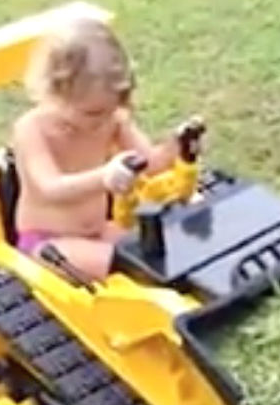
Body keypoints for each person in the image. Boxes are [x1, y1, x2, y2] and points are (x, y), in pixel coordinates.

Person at [11, 15, 192, 280]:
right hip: (46, 242)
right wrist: (105, 177)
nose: (103, 120)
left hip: (98, 231)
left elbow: (150, 164)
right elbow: (50, 188)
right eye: (92, 113)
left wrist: (177, 146)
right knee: (123, 267)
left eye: (111, 109)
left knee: (149, 253)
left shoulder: (111, 118)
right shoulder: (32, 129)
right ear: (55, 92)